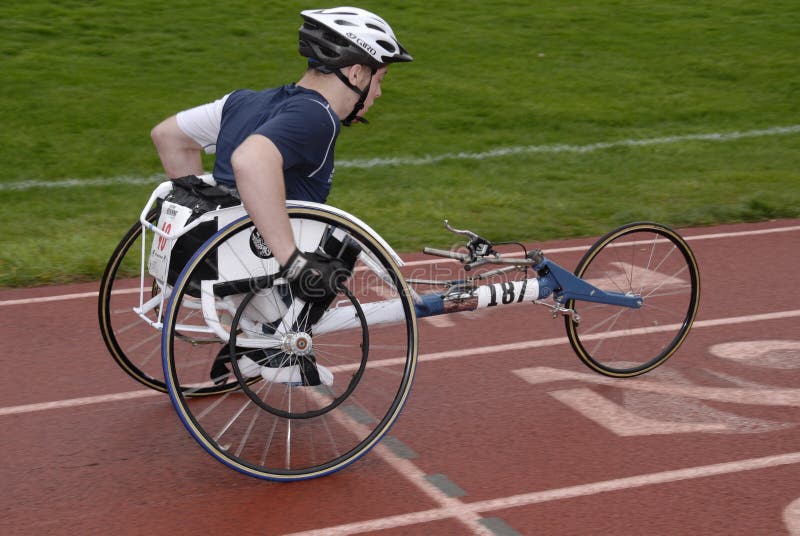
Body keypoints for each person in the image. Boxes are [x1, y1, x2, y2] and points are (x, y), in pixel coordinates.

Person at [149, 6, 412, 385]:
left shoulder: (243, 101)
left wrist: (207, 209)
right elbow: (251, 160)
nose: (379, 92)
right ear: (357, 73)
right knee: (340, 243)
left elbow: (168, 136)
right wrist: (292, 261)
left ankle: (250, 335)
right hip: (257, 269)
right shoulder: (317, 116)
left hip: (214, 258)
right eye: (380, 78)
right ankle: (274, 350)